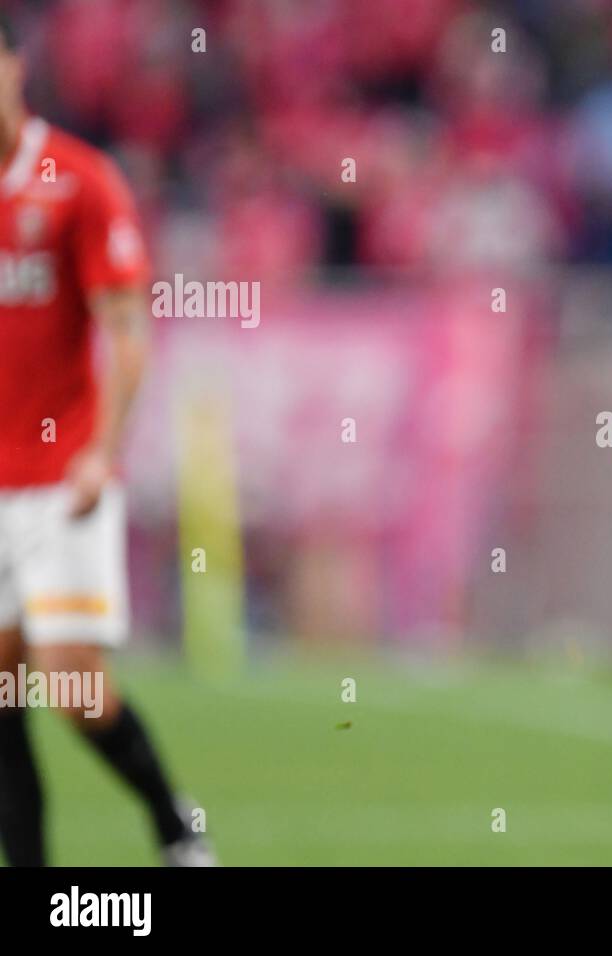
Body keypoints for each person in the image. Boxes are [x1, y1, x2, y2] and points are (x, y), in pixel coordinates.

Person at [0, 17, 215, 866]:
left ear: (16, 66)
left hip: (64, 472)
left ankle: (173, 825)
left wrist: (103, 449)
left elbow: (127, 329)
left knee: (71, 679)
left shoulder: (78, 180)